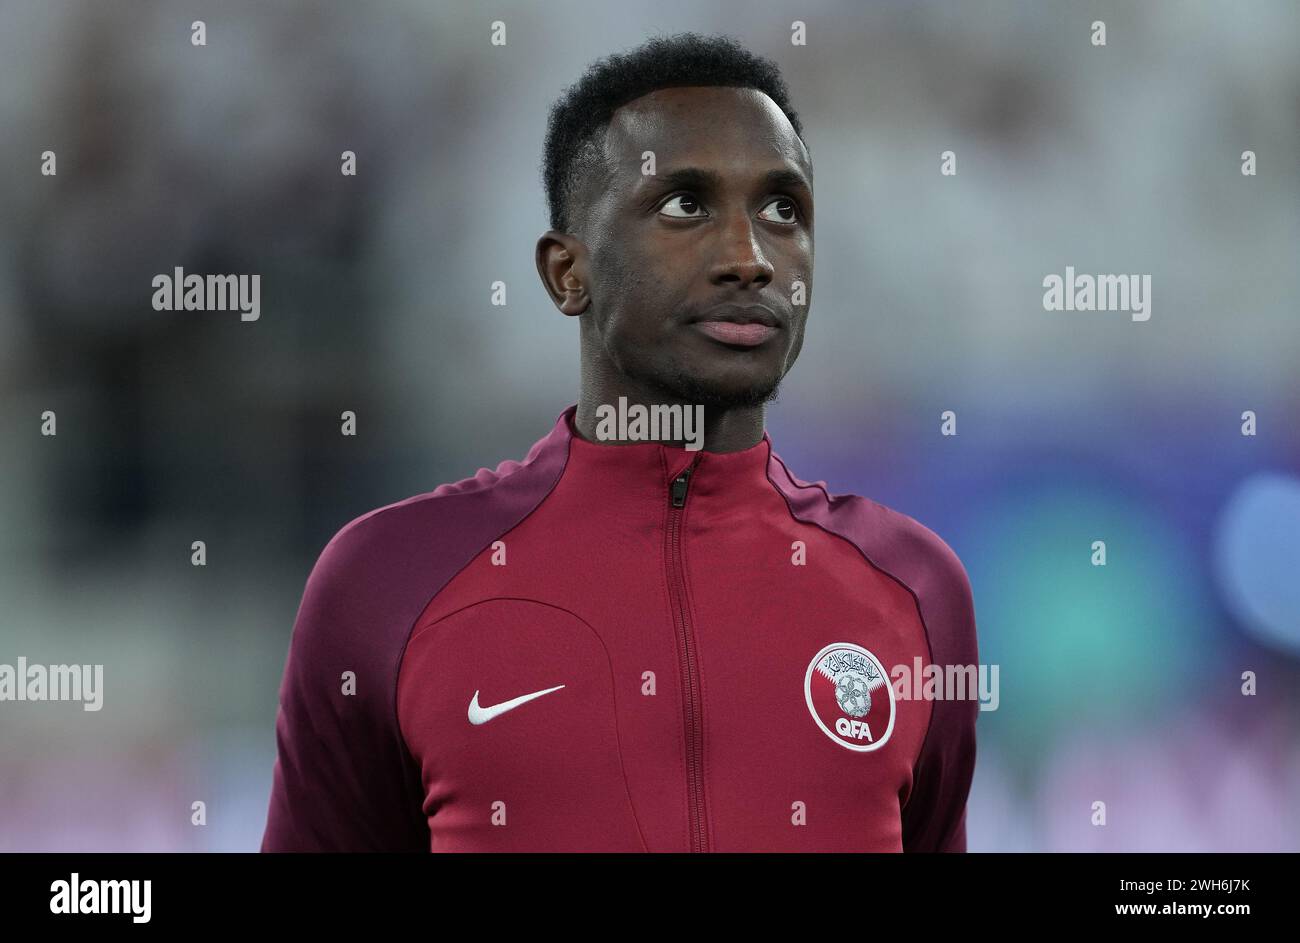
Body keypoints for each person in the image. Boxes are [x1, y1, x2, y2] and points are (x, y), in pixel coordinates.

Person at [261, 32, 978, 852]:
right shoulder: (388, 579)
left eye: (783, 209)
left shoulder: (916, 591)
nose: (749, 258)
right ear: (567, 272)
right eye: (685, 205)